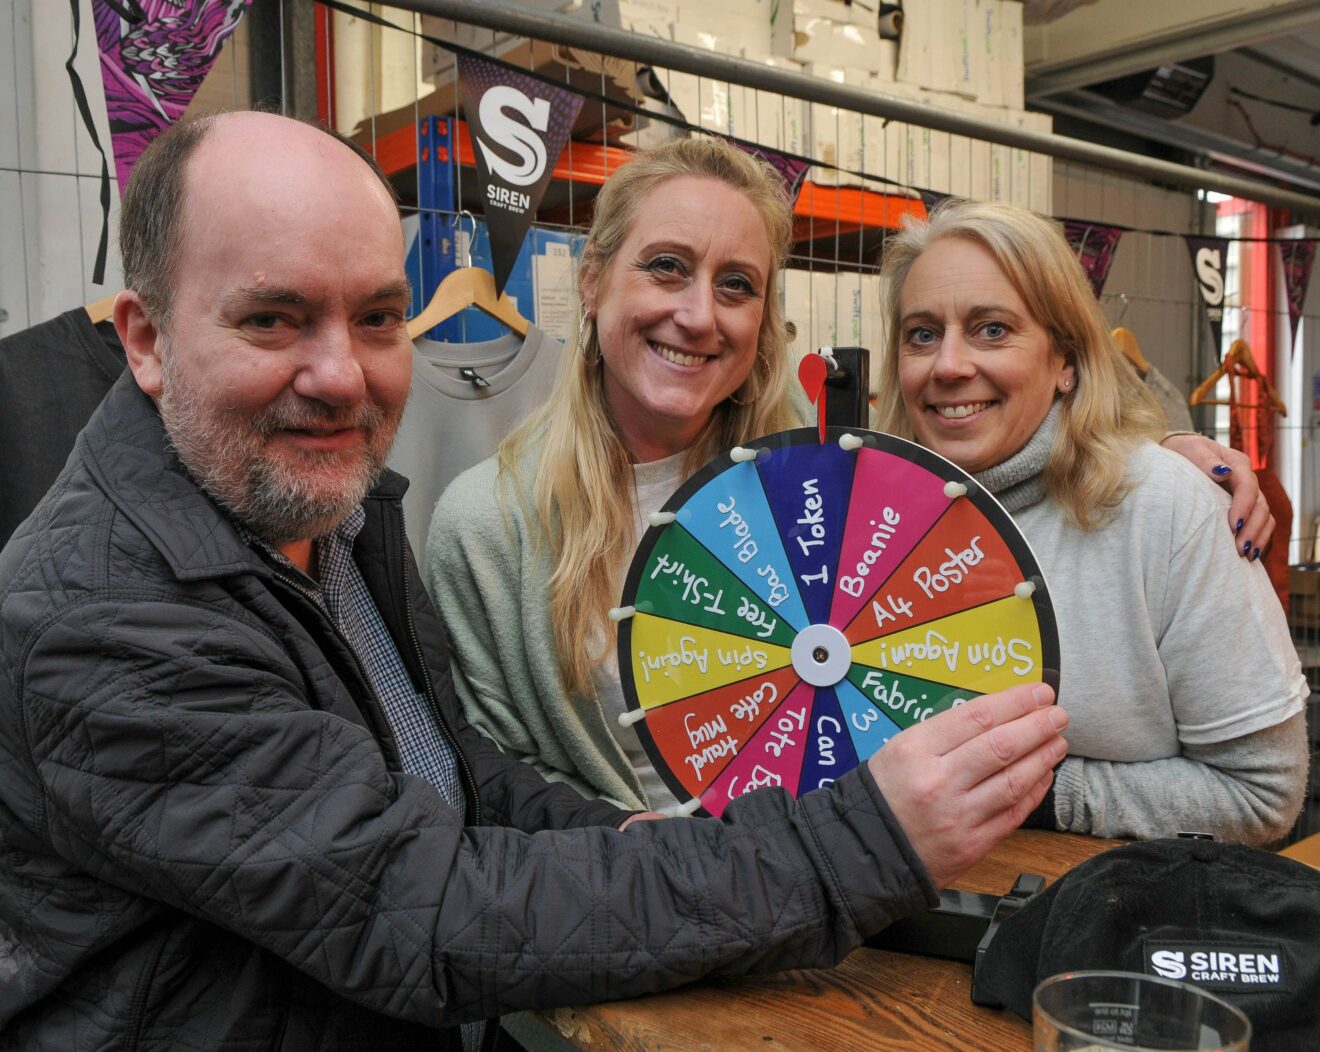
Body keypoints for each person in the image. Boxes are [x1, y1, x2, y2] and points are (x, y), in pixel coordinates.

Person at [0, 111, 1071, 1050]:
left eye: (377, 318)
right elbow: (425, 911)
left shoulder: (317, 510)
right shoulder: (102, 618)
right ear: (144, 338)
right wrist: (859, 841)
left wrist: (616, 839)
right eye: (273, 318)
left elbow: (444, 767)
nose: (341, 374)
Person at [426, 137, 1274, 816]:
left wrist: (1164, 450)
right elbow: (486, 772)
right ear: (592, 279)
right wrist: (619, 838)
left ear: (762, 319)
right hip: (621, 907)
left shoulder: (819, 482)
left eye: (736, 285)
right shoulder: (486, 525)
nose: (697, 313)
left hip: (832, 914)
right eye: (665, 266)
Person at [871, 199, 1309, 846]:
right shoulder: (871, 523)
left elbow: (1263, 793)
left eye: (992, 329)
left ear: (1065, 361)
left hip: (1099, 926)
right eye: (922, 334)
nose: (948, 365)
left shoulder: (1165, 506)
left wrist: (1036, 792)